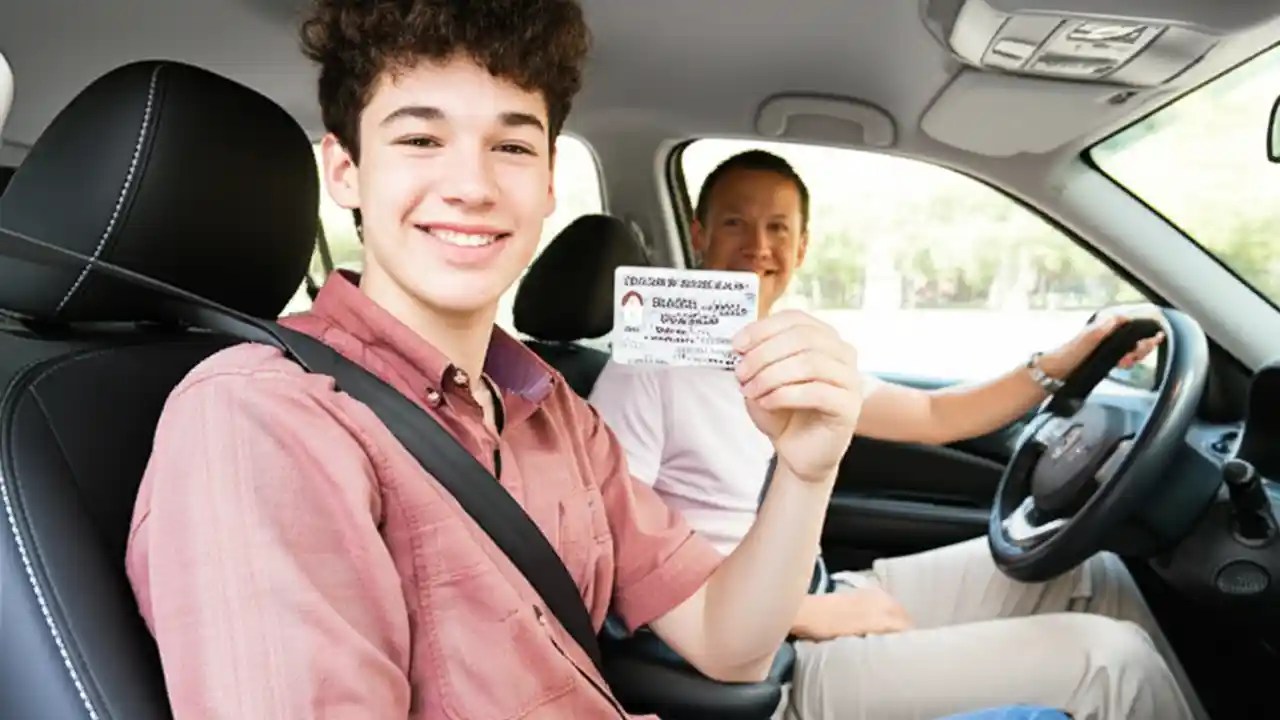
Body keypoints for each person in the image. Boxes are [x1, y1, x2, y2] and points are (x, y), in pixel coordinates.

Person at [124, 2, 868, 718]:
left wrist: (807, 469)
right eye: (420, 140)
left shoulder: (556, 414)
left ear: (547, 183)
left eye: (510, 146)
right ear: (345, 170)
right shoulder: (262, 417)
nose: (472, 187)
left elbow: (727, 643)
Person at [589, 150, 1205, 720]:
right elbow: (609, 554)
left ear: (801, 247)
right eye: (733, 223)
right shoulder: (644, 369)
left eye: (778, 228)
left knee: (1094, 573)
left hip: (819, 588)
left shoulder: (797, 354)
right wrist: (804, 615)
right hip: (765, 664)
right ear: (698, 234)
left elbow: (937, 417)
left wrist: (1060, 365)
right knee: (1108, 658)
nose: (757, 245)